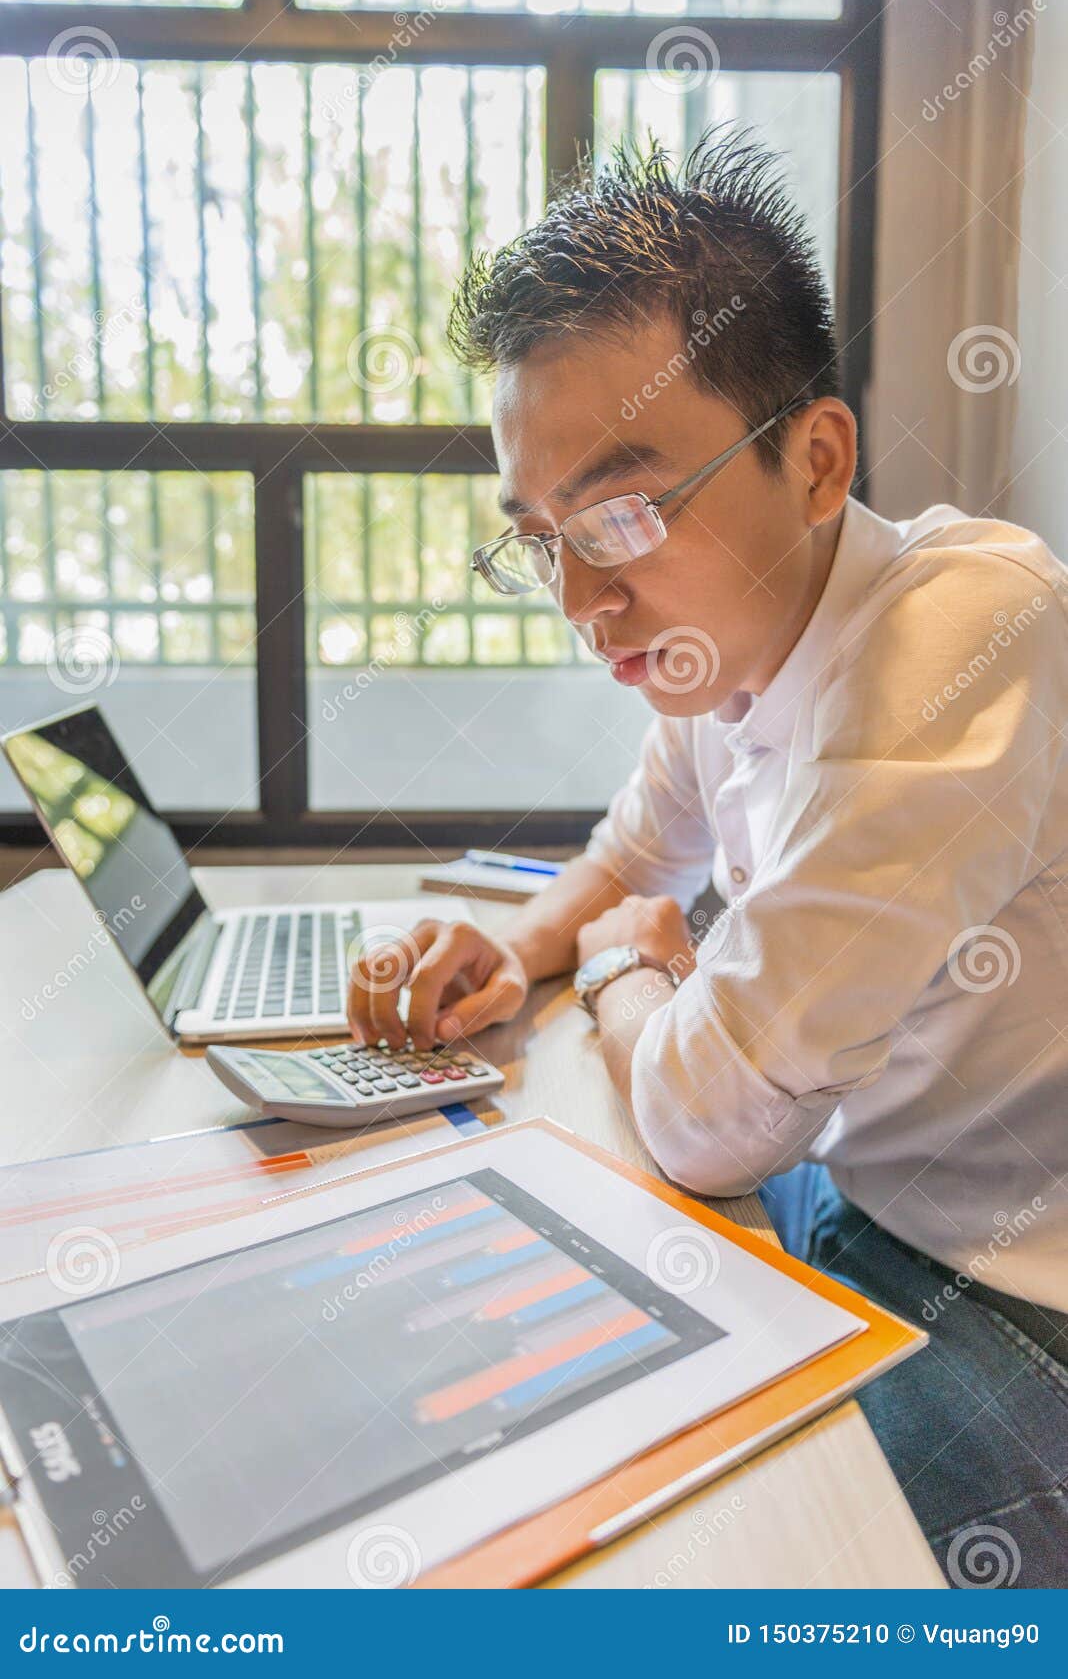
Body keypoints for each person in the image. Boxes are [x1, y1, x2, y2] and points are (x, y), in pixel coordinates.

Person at [347, 132, 1068, 1587]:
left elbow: (712, 1115)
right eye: (537, 537)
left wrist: (618, 971)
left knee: (742, 1572)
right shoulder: (718, 656)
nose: (581, 596)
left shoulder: (963, 633)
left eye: (621, 508)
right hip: (850, 1191)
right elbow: (631, 857)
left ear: (815, 460)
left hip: (1014, 1285)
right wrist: (522, 944)